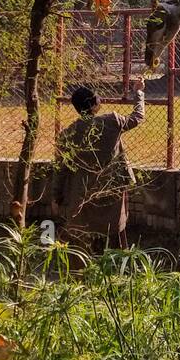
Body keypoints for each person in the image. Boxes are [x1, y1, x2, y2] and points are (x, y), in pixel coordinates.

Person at [50, 79, 145, 249]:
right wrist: (138, 92)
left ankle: (81, 266)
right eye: (97, 98)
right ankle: (121, 262)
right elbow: (138, 117)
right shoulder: (112, 121)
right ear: (94, 104)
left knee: (82, 235)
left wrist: (56, 197)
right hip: (112, 186)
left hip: (82, 191)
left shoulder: (68, 134)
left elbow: (61, 169)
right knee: (117, 230)